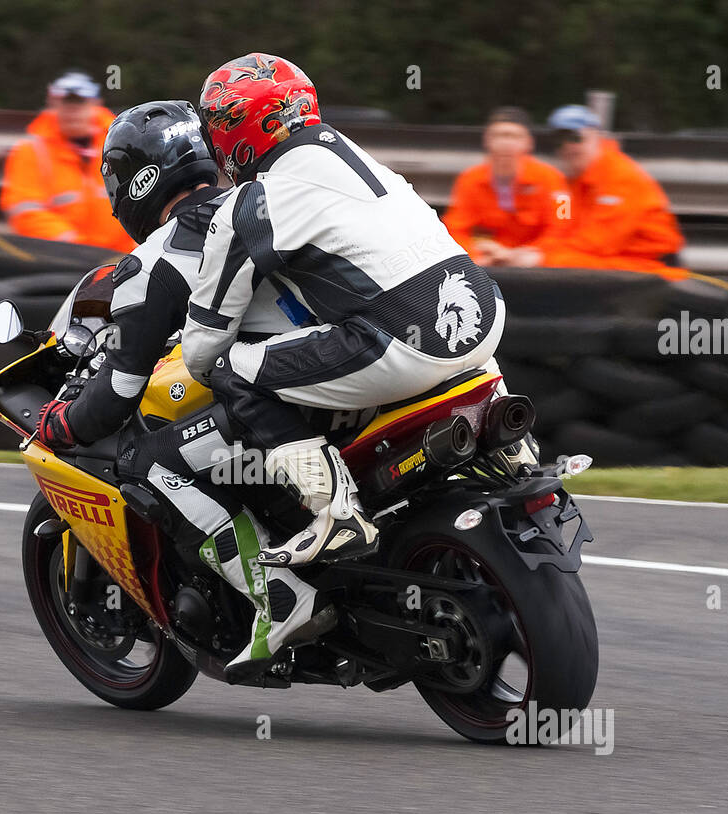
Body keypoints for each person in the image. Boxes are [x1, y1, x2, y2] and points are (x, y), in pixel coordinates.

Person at [33, 100, 333, 675]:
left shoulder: (159, 256)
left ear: (137, 184)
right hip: (347, 368)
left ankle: (279, 591)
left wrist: (63, 422)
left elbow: (121, 389)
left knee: (147, 463)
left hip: (279, 397)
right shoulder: (265, 200)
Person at [179, 53, 506, 568]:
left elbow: (206, 342)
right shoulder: (365, 159)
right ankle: (512, 449)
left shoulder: (253, 203)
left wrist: (197, 361)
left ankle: (335, 513)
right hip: (485, 314)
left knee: (229, 370)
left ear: (235, 134)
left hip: (400, 342)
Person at [499, 104, 687, 279]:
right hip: (608, 264)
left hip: (650, 270)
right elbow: (561, 228)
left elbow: (597, 244)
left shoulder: (620, 178)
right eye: (560, 140)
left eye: (575, 138)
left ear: (596, 137)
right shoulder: (567, 183)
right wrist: (530, 251)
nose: (568, 146)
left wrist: (542, 259)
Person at [0, 71, 132, 251]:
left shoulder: (123, 143)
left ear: (95, 104)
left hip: (123, 257)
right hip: (62, 258)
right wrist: (75, 247)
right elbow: (25, 212)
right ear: (53, 105)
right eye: (66, 105)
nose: (73, 112)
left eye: (80, 104)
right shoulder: (30, 151)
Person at [443, 106, 569, 265]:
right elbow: (455, 228)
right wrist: (475, 253)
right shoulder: (468, 180)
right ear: (487, 140)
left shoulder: (554, 179)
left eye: (514, 136)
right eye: (499, 135)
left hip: (532, 260)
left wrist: (528, 251)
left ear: (528, 143)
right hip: (488, 258)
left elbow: (564, 224)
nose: (506, 143)